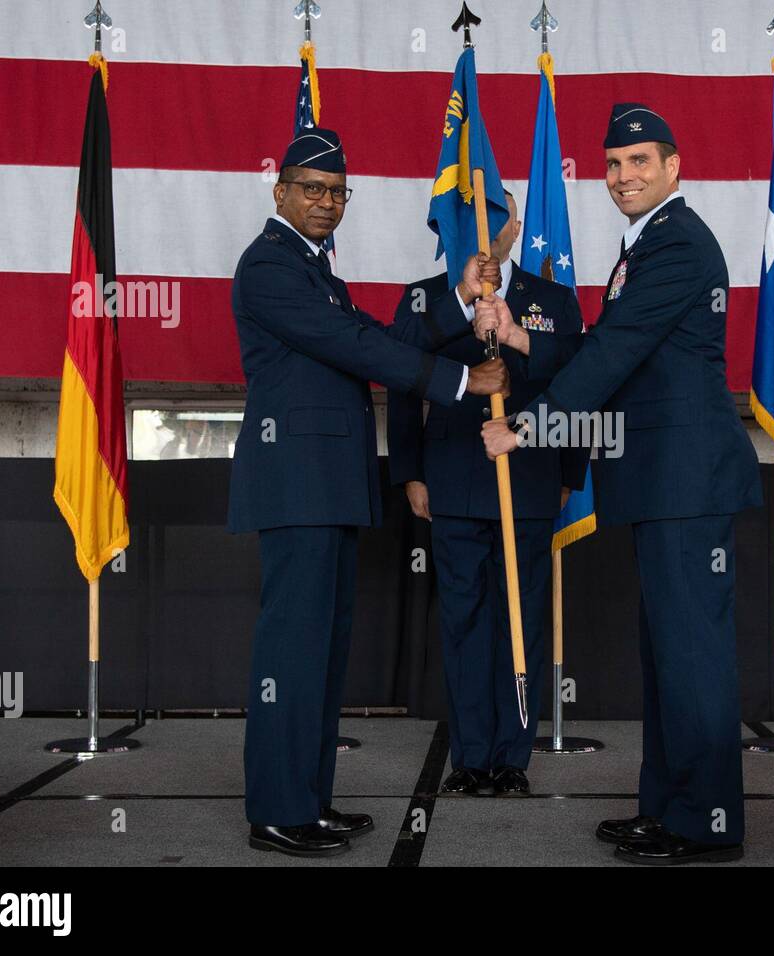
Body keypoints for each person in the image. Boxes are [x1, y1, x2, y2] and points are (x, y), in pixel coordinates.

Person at [479, 104, 762, 864]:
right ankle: (669, 809)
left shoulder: (677, 245)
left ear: (673, 167)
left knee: (693, 659)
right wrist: (516, 336)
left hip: (686, 482)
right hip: (662, 481)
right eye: (612, 164)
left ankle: (704, 823)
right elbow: (609, 342)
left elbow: (613, 355)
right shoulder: (649, 245)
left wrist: (526, 427)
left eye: (640, 161)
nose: (624, 176)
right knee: (670, 655)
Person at [227, 128, 509, 857]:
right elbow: (355, 347)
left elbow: (374, 332)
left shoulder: (320, 272)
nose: (325, 202)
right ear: (279, 190)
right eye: (311, 189)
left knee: (321, 654)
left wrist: (458, 291)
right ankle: (277, 812)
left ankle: (308, 801)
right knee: (292, 653)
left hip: (329, 488)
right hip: (296, 488)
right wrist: (457, 381)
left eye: (336, 192)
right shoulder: (268, 265)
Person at [387, 190, 587, 797]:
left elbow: (578, 382)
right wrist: (410, 471)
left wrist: (569, 476)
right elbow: (400, 379)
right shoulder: (426, 299)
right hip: (450, 477)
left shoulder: (552, 299)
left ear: (516, 227)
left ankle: (511, 758)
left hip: (527, 481)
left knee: (518, 619)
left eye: (498, 218)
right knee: (463, 619)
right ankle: (471, 756)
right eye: (471, 218)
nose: (484, 229)